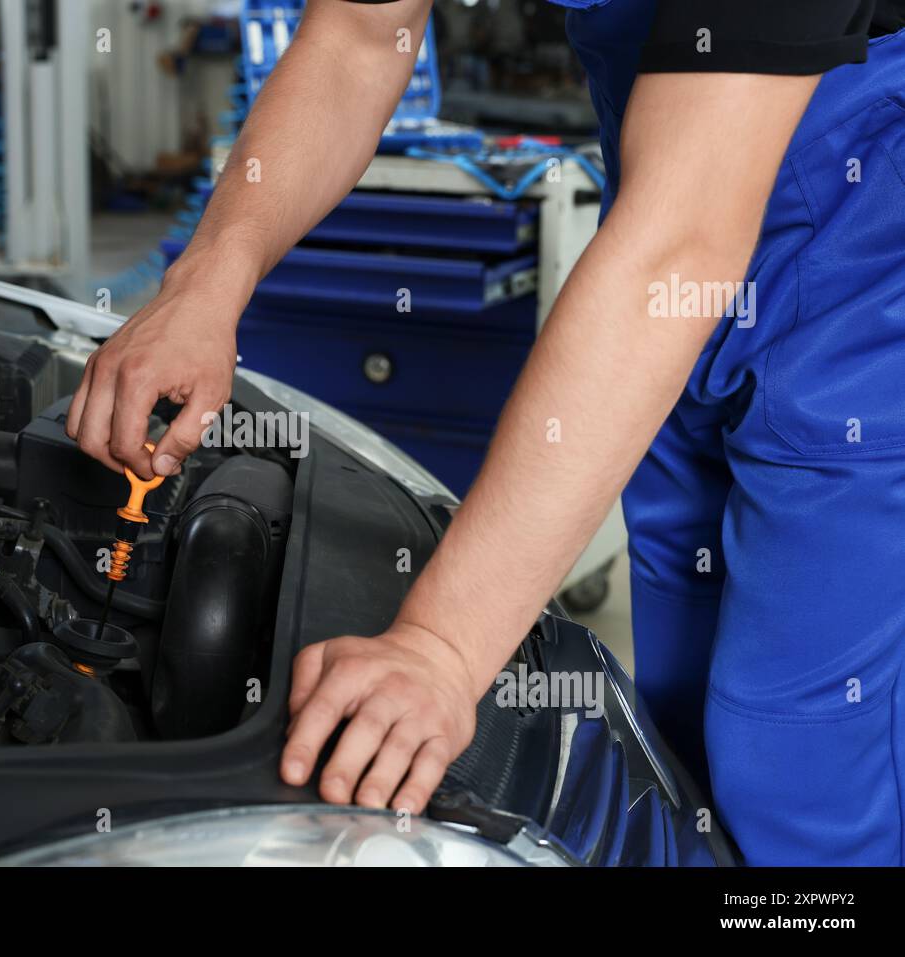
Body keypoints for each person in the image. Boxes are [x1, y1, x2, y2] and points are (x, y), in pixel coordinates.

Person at [67, 0, 905, 864]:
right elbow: (359, 38)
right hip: (668, 214)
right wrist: (207, 281)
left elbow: (681, 244)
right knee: (679, 728)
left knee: (798, 765)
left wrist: (443, 646)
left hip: (858, 263)